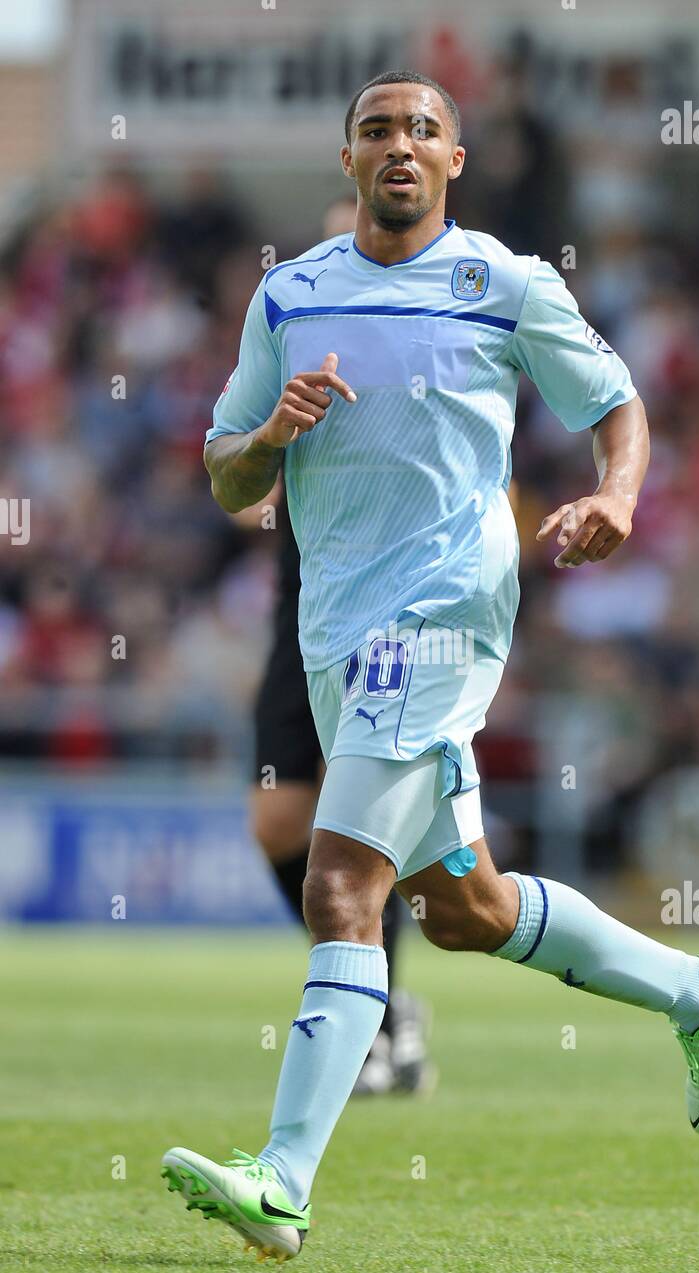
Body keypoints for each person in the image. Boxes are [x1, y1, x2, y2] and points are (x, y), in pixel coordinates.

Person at [163, 70, 699, 1263]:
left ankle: (282, 1181)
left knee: (343, 885)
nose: (400, 146)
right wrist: (271, 437)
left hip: (444, 621)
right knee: (467, 910)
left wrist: (618, 493)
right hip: (334, 634)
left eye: (422, 131)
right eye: (377, 131)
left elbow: (620, 403)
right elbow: (225, 473)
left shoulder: (508, 285)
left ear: (456, 161)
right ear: (347, 164)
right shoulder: (289, 296)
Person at [249, 193, 435, 1098]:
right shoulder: (288, 325)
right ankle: (381, 1001)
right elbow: (231, 454)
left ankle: (377, 1014)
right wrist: (264, 443)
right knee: (279, 819)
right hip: (299, 611)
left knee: (369, 835)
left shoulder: (423, 339)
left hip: (392, 620)